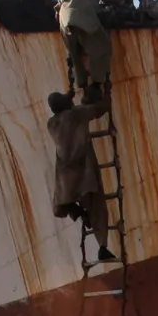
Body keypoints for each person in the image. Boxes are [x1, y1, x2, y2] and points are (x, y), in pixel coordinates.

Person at [45, 91, 115, 261]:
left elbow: (66, 110)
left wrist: (68, 99)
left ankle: (80, 213)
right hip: (84, 174)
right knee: (97, 206)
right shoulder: (77, 114)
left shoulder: (52, 124)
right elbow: (101, 108)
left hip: (66, 179)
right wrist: (106, 93)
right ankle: (103, 246)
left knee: (61, 205)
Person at [57, 0, 113, 101]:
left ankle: (81, 84)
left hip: (64, 20)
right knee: (102, 46)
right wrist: (120, 2)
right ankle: (96, 84)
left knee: (74, 54)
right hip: (82, 19)